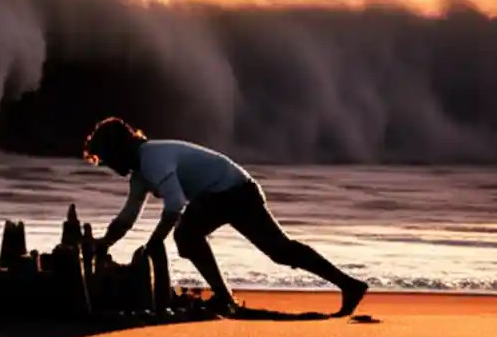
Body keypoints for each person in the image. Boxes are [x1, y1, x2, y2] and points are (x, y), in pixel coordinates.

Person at [83, 117, 368, 317]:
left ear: (118, 149)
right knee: (197, 237)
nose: (107, 166)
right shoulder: (140, 173)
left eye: (106, 158)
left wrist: (156, 240)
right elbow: (128, 217)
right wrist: (104, 242)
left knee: (278, 251)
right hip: (224, 193)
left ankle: (347, 284)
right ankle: (349, 285)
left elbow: (175, 204)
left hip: (237, 192)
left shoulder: (152, 157)